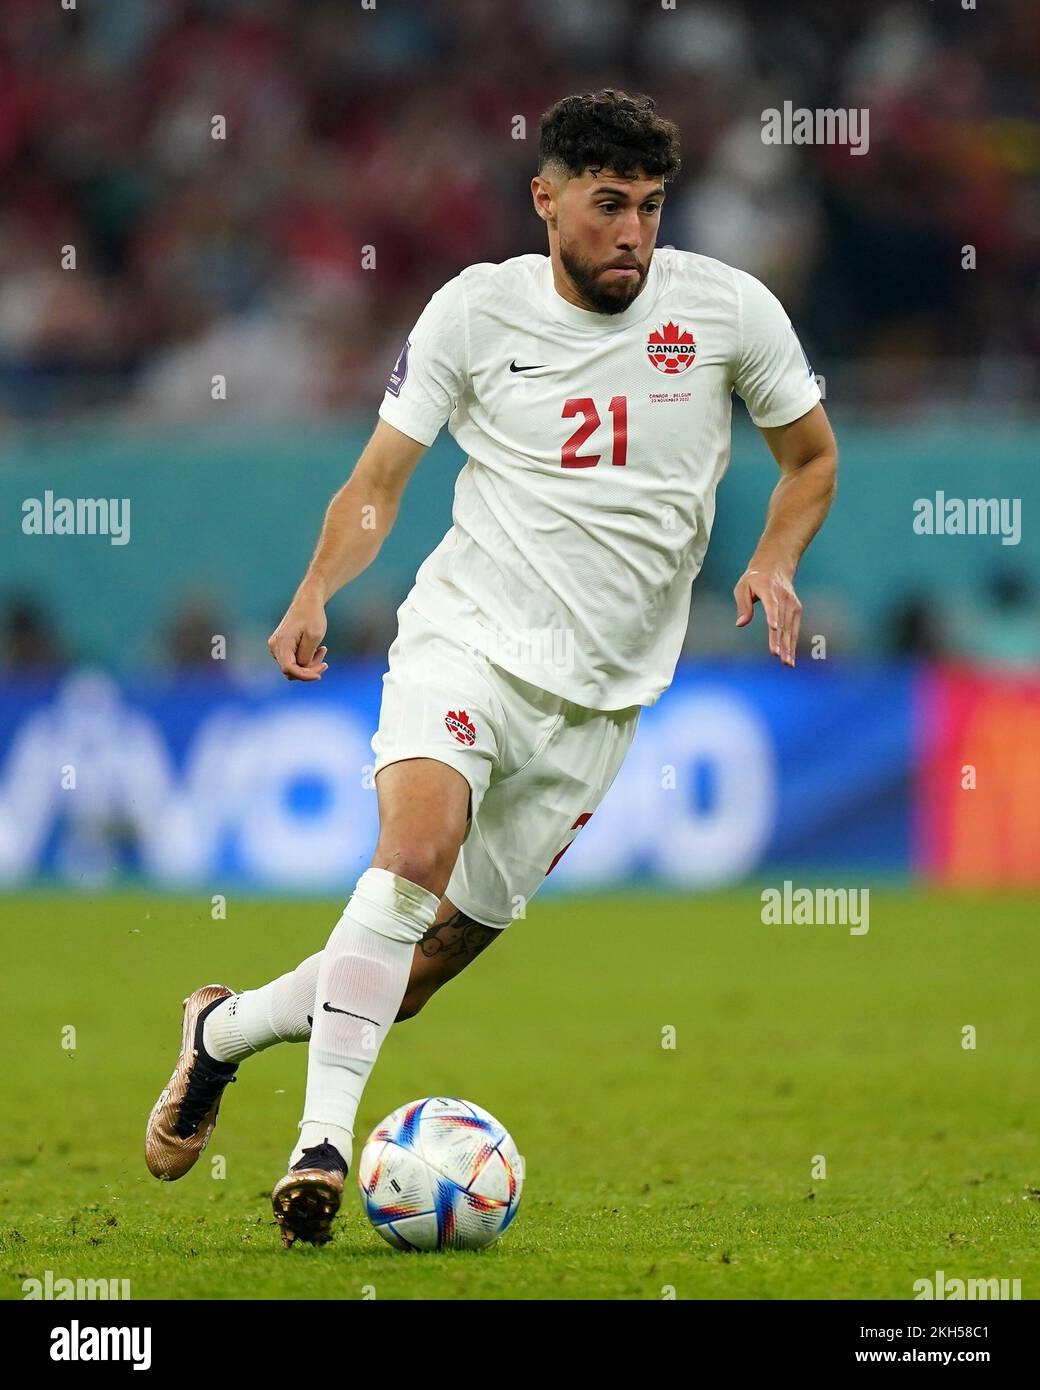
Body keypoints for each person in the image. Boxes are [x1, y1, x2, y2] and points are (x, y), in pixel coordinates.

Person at [145, 89, 837, 1248]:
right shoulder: (474, 312)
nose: (632, 233)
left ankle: (215, 1034)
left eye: (651, 208)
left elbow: (808, 458)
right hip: (465, 637)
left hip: (599, 703)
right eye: (608, 204)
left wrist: (773, 553)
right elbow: (379, 478)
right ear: (546, 199)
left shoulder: (726, 311)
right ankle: (320, 1142)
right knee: (409, 856)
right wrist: (319, 586)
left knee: (406, 977)